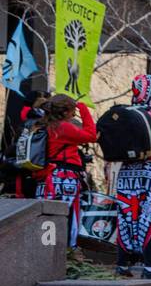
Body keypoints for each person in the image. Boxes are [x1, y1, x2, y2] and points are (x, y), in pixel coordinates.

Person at [113, 75, 151, 279]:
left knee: (125, 214)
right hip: (150, 170)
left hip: (126, 172)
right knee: (149, 216)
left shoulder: (123, 113)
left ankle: (121, 264)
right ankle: (149, 267)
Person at [22, 94, 96, 251]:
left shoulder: (43, 125)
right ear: (64, 112)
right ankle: (65, 254)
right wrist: (84, 110)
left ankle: (45, 254)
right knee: (66, 218)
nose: (74, 114)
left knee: (48, 218)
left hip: (47, 177)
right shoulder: (63, 127)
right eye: (72, 111)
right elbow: (91, 135)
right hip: (63, 178)